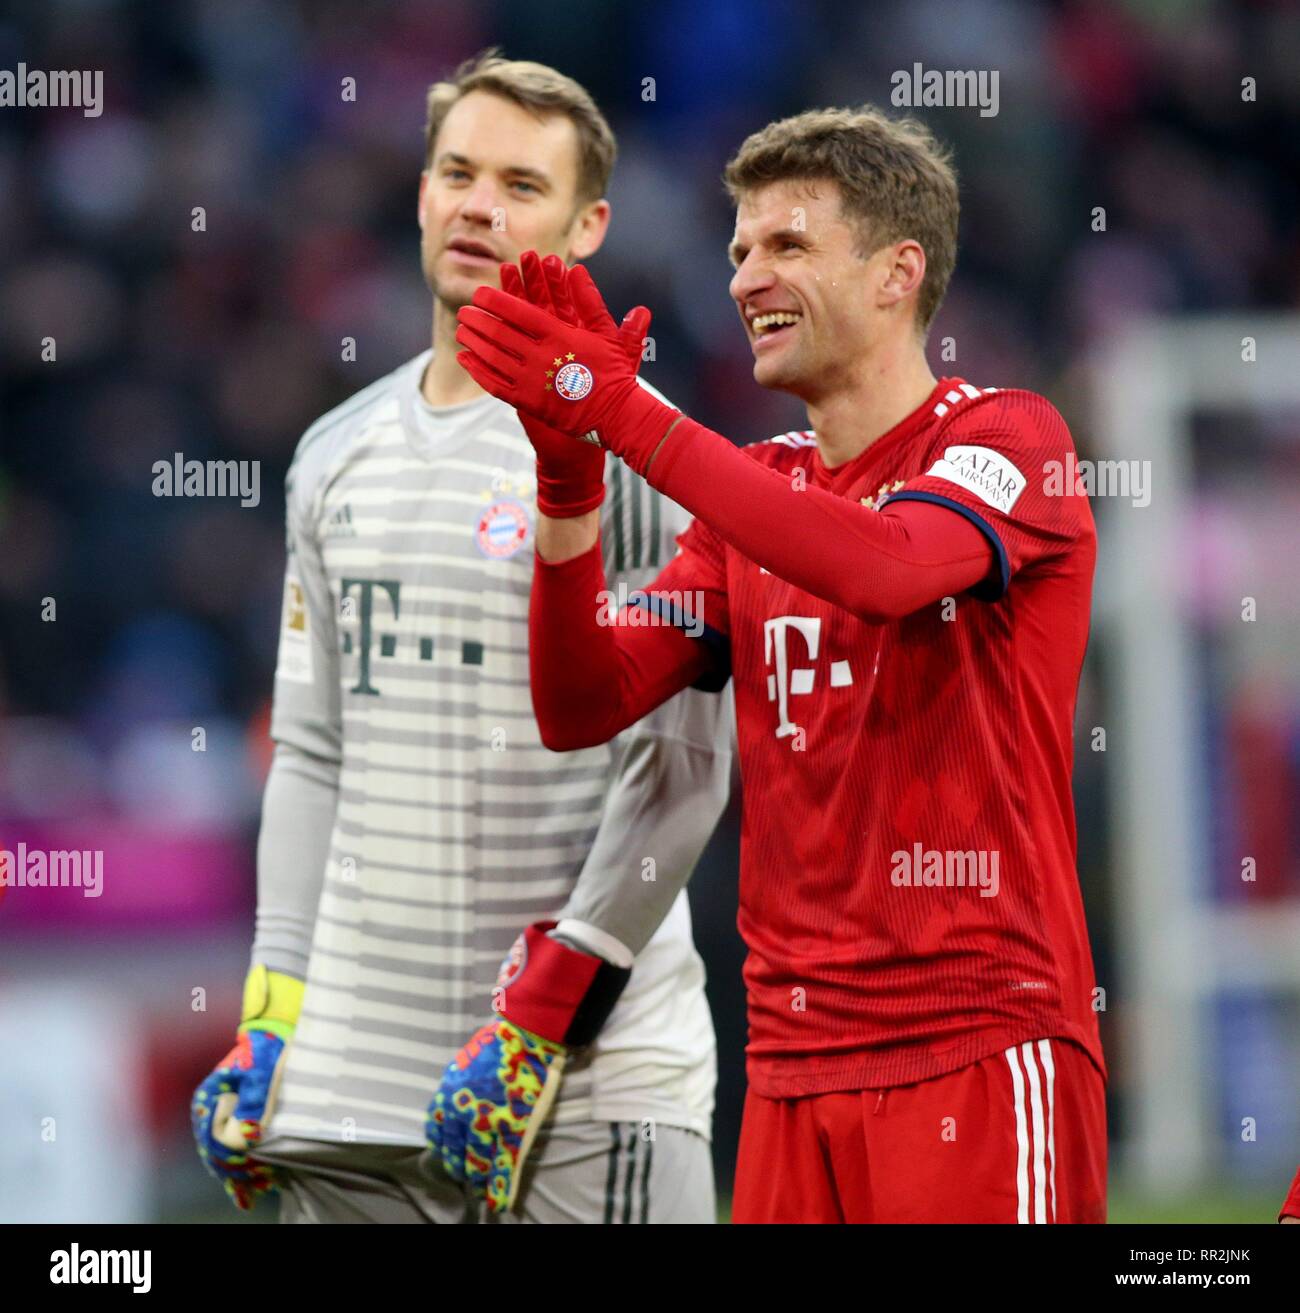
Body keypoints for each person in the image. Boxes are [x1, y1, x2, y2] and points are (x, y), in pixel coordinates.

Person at [454, 104, 1108, 1223]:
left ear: (897, 272)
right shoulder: (759, 494)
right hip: (792, 1064)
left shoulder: (1010, 438)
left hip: (976, 1043)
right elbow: (581, 701)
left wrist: (616, 410)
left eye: (787, 245)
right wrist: (570, 489)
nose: (748, 276)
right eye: (739, 251)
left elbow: (888, 569)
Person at [190, 51, 732, 1225]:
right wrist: (272, 1014)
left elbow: (683, 771)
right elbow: (313, 752)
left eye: (522, 187)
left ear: (587, 227)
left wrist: (546, 1019)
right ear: (423, 193)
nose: (480, 204)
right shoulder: (333, 454)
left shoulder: (647, 456)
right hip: (366, 1088)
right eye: (458, 172)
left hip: (593, 1087)